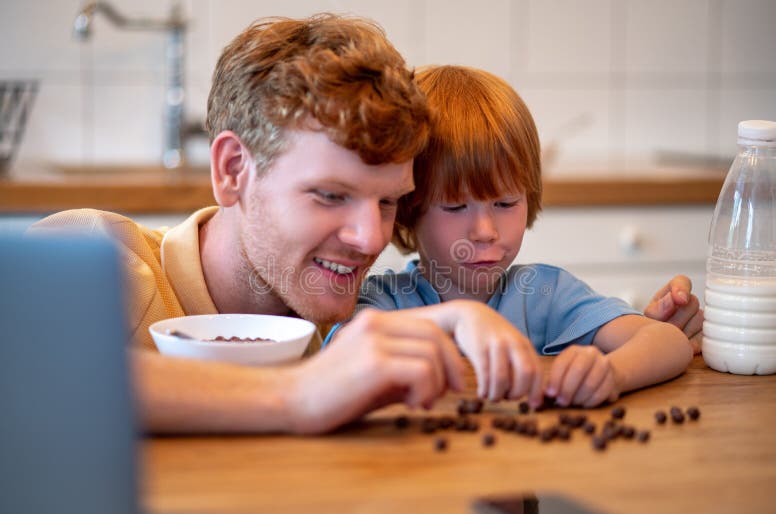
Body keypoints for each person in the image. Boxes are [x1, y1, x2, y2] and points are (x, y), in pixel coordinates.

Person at [30, 16, 699, 434]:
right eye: (329, 195)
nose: (370, 239)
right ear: (234, 168)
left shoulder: (343, 312)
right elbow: (38, 374)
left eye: (387, 203)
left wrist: (617, 343)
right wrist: (298, 395)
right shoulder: (98, 257)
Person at [329, 65, 697, 408]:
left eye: (505, 203)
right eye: (456, 208)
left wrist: (611, 373)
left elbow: (667, 342)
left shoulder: (545, 293)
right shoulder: (384, 301)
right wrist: (459, 318)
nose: (486, 232)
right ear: (409, 209)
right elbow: (342, 359)